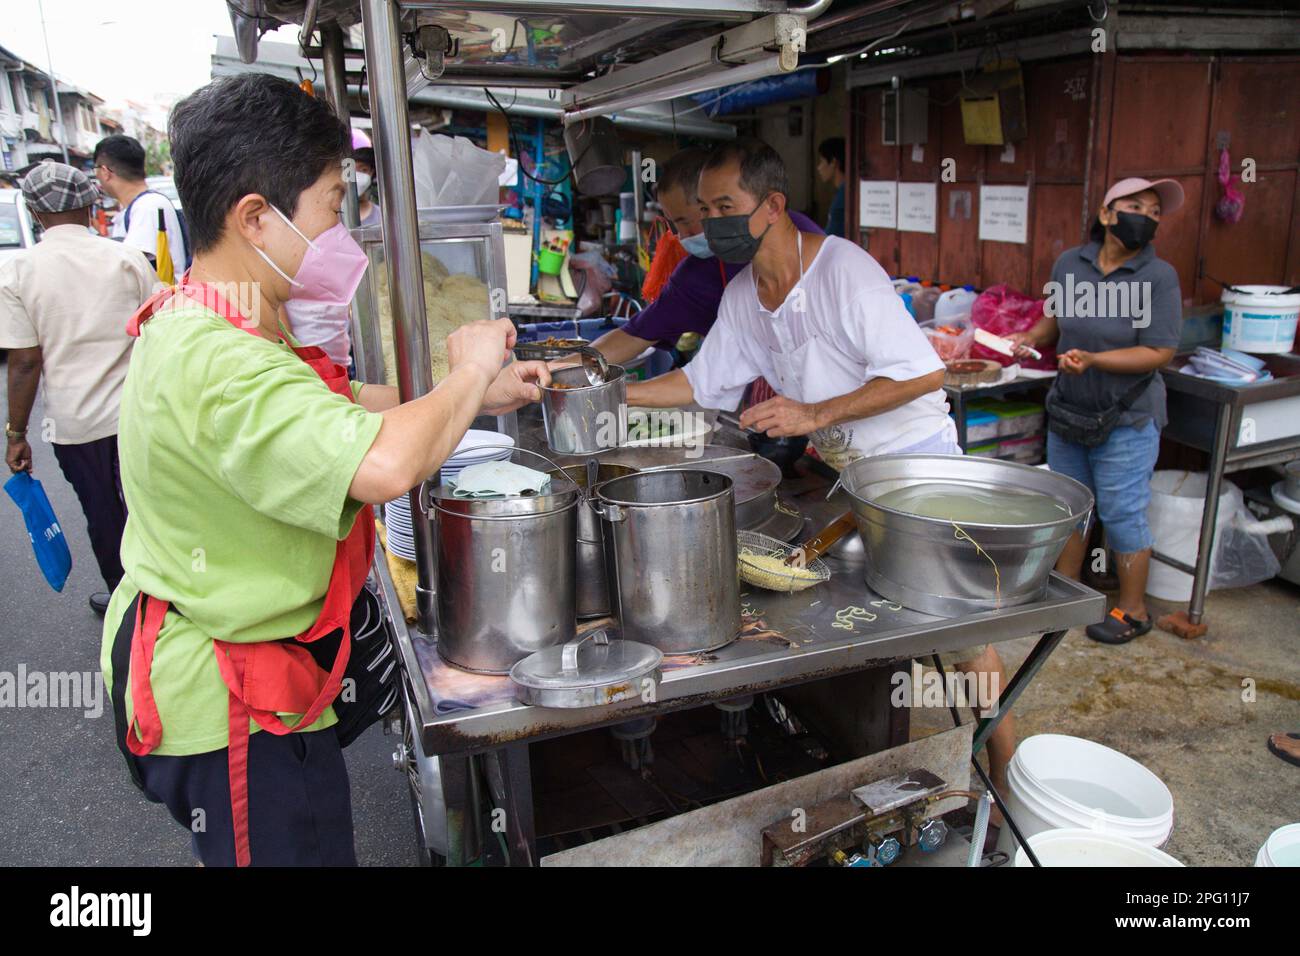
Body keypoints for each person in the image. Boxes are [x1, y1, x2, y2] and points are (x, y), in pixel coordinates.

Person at [100, 73, 549, 867]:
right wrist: (467, 372)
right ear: (253, 218)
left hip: (249, 671)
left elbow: (339, 405)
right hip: (236, 706)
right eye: (333, 207)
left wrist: (476, 394)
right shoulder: (220, 360)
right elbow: (380, 462)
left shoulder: (214, 314)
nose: (343, 231)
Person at [625, 139, 1016, 805]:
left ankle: (1004, 777)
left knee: (964, 644)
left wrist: (813, 413)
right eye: (704, 209)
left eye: (728, 207)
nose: (713, 222)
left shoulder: (843, 271)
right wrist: (601, 391)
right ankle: (889, 760)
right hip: (854, 480)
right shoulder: (746, 294)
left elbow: (923, 372)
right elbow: (699, 381)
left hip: (919, 473)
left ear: (773, 206)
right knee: (878, 625)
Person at [1009, 177, 1184, 645]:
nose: (1144, 217)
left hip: (1126, 416)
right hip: (1070, 409)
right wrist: (1031, 336)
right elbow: (1056, 318)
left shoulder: (1158, 277)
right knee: (1068, 507)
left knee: (1123, 512)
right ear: (1107, 214)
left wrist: (1094, 360)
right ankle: (1067, 596)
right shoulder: (1070, 263)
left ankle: (1133, 609)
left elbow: (1160, 351)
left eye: (1153, 212)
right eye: (1134, 206)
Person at [1, 161, 156, 615]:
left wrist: (16, 433)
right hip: (140, 413)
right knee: (155, 502)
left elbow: (25, 361)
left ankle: (127, 602)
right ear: (91, 204)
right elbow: (157, 328)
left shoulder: (18, 272)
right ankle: (172, 591)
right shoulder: (125, 258)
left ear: (33, 212)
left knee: (104, 513)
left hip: (76, 424)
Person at [588, 147, 823, 366]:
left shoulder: (813, 249)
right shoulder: (697, 275)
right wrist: (566, 367)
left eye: (686, 222)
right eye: (674, 225)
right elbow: (637, 334)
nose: (682, 237)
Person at [93, 134, 189, 275]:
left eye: (95, 170)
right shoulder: (140, 207)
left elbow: (129, 270)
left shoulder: (147, 207)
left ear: (105, 171)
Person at [815, 136, 847, 239]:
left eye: (821, 161)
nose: (818, 167)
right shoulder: (843, 192)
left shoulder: (842, 197)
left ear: (833, 162)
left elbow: (829, 239)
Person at [351, 146, 380, 229]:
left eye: (363, 170)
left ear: (372, 173)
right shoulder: (333, 217)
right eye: (352, 170)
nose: (356, 175)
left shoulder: (382, 218)